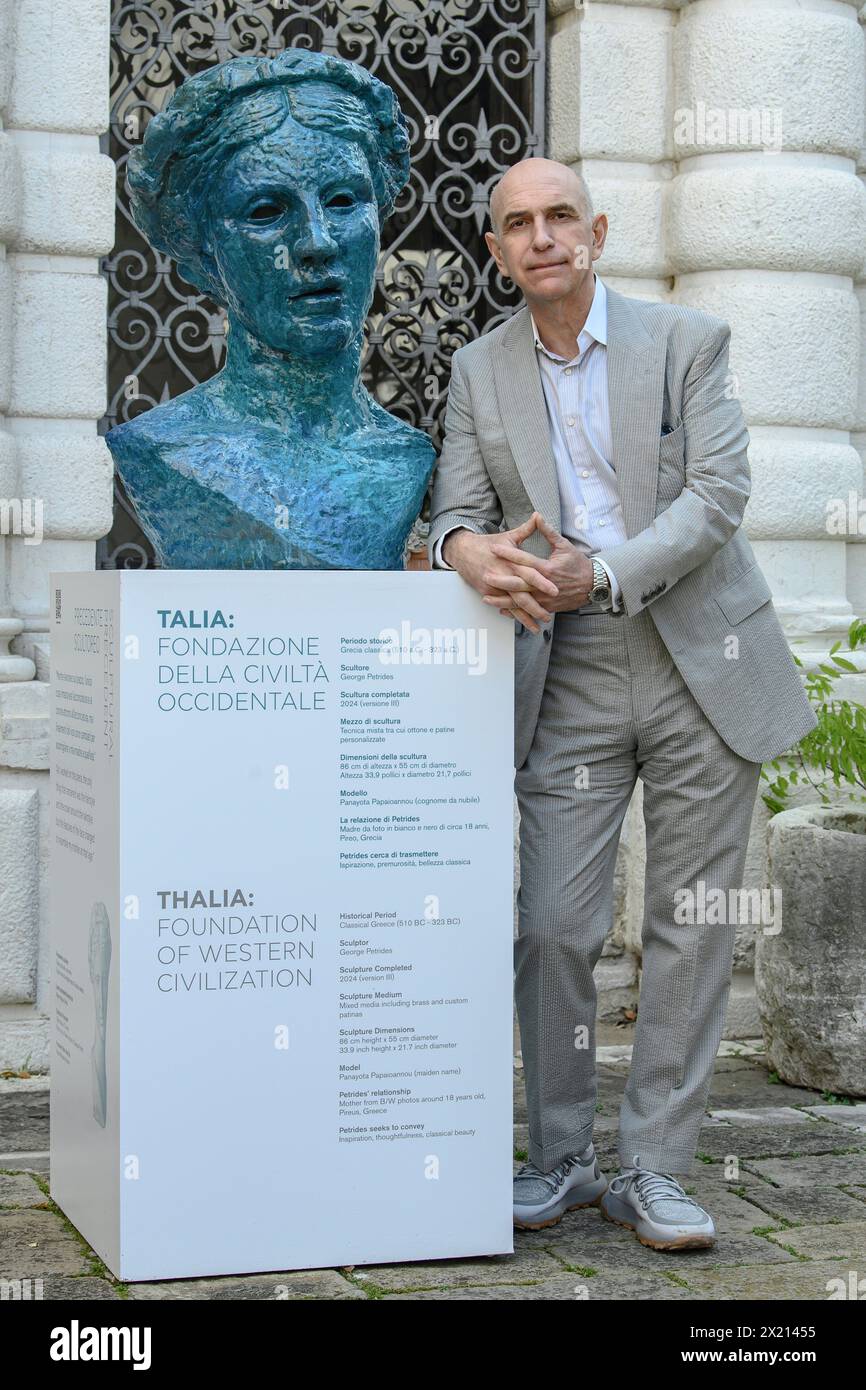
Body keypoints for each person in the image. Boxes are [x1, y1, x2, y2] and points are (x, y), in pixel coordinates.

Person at [428, 157, 817, 1250]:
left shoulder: (684, 343)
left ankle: (654, 1170)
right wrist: (464, 549)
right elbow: (455, 507)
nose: (541, 236)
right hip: (567, 667)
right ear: (497, 250)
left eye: (559, 216)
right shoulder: (475, 369)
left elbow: (718, 495)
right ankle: (555, 1157)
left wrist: (598, 573)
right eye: (516, 223)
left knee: (689, 927)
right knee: (551, 921)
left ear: (594, 231)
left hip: (698, 648)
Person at [106, 50, 434, 570]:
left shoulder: (409, 457)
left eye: (345, 201)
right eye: (265, 211)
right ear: (201, 254)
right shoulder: (162, 448)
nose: (317, 243)